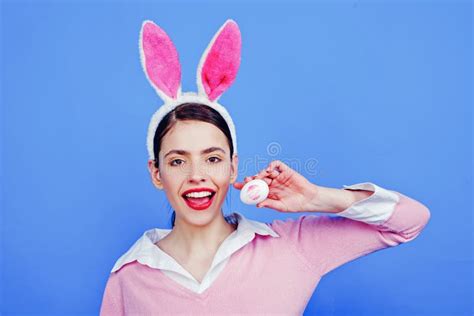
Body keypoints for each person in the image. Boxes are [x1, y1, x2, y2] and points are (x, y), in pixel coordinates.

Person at [99, 19, 431, 315]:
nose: (196, 175)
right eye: (177, 161)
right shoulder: (129, 276)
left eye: (212, 158)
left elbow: (409, 222)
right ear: (157, 173)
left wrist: (316, 198)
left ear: (233, 168)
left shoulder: (291, 247)